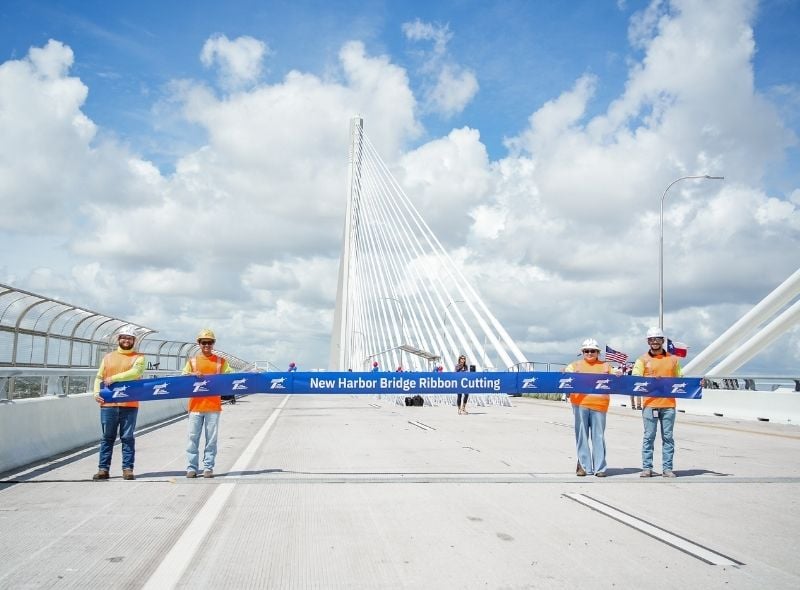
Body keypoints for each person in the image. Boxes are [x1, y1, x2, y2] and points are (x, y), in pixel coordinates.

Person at [92, 326, 146, 481]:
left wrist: (114, 378)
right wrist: (96, 393)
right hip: (108, 405)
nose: (126, 340)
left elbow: (135, 373)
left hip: (129, 404)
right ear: (119, 339)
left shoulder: (139, 357)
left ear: (133, 341)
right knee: (107, 437)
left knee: (127, 437)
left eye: (130, 338)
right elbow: (99, 376)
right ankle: (103, 469)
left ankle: (127, 469)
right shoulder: (108, 357)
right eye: (124, 337)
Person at [633, 327, 682, 478]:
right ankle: (647, 468)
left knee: (668, 437)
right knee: (649, 437)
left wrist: (697, 384)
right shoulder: (642, 360)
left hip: (668, 405)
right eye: (651, 339)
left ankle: (667, 469)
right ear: (648, 341)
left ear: (663, 340)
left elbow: (680, 379)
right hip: (650, 404)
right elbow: (636, 376)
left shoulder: (673, 359)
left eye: (657, 339)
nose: (654, 342)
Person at [183, 329, 232, 479]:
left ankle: (208, 467)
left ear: (213, 344)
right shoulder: (192, 362)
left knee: (211, 439)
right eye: (204, 342)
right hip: (195, 407)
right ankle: (192, 468)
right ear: (199, 344)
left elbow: (232, 376)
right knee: (193, 438)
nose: (207, 345)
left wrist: (251, 376)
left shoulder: (221, 362)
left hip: (213, 406)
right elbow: (182, 378)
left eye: (210, 342)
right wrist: (191, 374)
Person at [564, 339, 615, 477]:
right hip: (580, 404)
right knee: (582, 436)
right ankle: (584, 466)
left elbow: (618, 377)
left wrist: (619, 374)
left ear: (598, 352)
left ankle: (600, 468)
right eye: (586, 351)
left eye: (593, 350)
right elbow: (564, 376)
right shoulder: (575, 365)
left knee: (598, 437)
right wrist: (563, 373)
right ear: (582, 352)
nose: (589, 353)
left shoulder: (606, 366)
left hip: (599, 405)